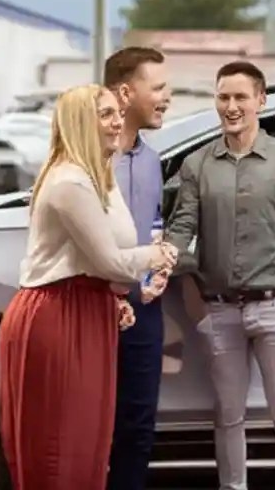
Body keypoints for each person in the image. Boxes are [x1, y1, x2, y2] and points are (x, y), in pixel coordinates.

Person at [0, 84, 177, 490]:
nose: (118, 122)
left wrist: (109, 296)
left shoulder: (98, 176)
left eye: (118, 112)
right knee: (60, 450)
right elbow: (110, 260)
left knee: (85, 447)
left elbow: (96, 262)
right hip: (58, 319)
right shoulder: (70, 183)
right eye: (106, 114)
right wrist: (157, 254)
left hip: (84, 312)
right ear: (80, 123)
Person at [165, 60, 275, 490]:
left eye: (240, 97)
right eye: (223, 97)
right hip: (221, 313)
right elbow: (183, 228)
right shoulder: (198, 165)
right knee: (228, 415)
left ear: (260, 100)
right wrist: (162, 260)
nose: (231, 106)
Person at [103, 46, 173, 490]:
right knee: (90, 426)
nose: (167, 97)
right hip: (94, 307)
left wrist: (159, 266)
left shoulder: (152, 161)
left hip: (144, 310)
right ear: (126, 92)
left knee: (139, 425)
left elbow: (152, 224)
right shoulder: (87, 160)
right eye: (160, 87)